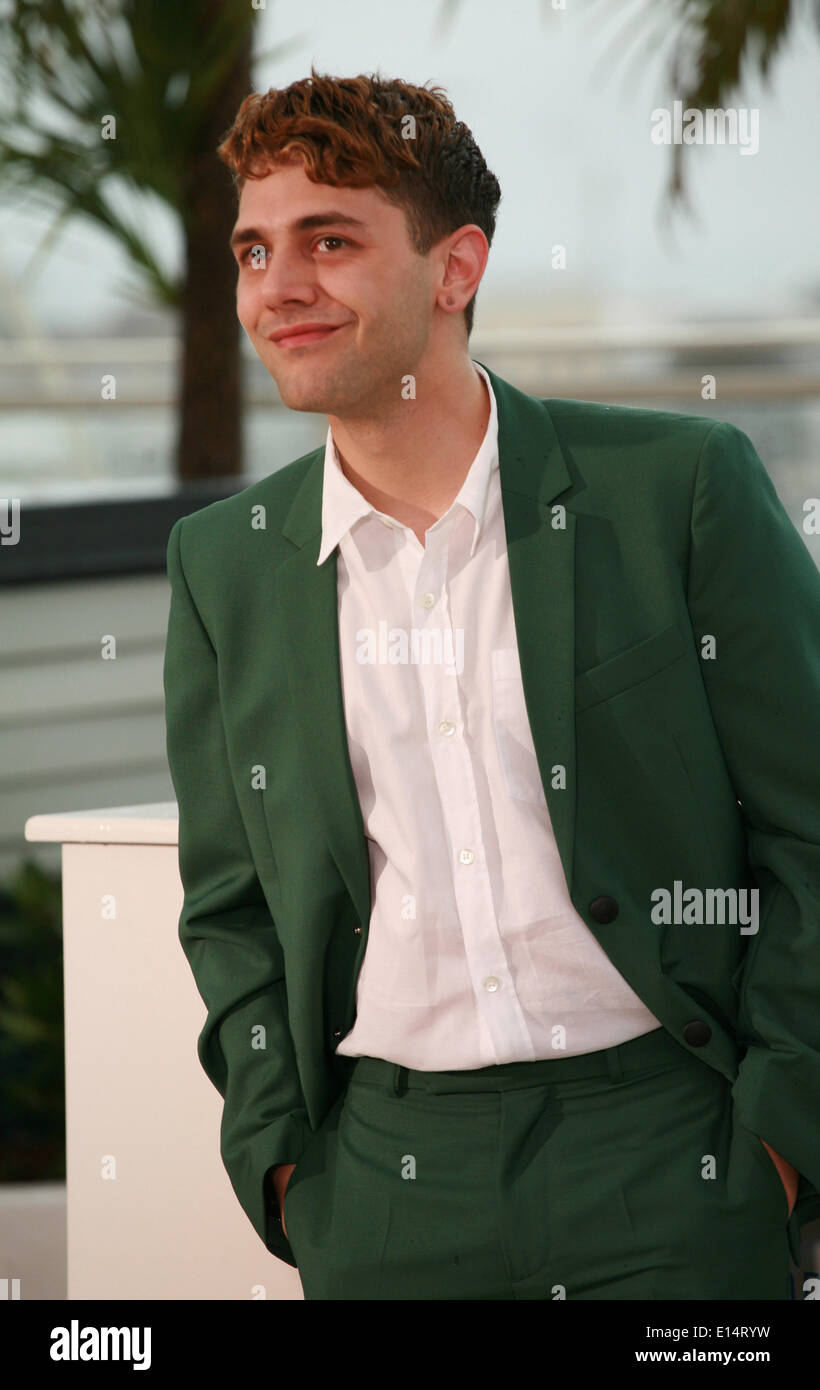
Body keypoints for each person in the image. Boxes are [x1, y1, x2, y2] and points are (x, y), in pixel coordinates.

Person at [163, 67, 820, 1300]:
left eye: (330, 241)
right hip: (380, 1181)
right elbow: (230, 904)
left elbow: (810, 824)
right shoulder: (222, 567)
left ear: (456, 267)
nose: (278, 287)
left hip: (673, 1150)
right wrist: (284, 1165)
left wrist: (780, 1132)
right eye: (255, 250)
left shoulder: (675, 491)